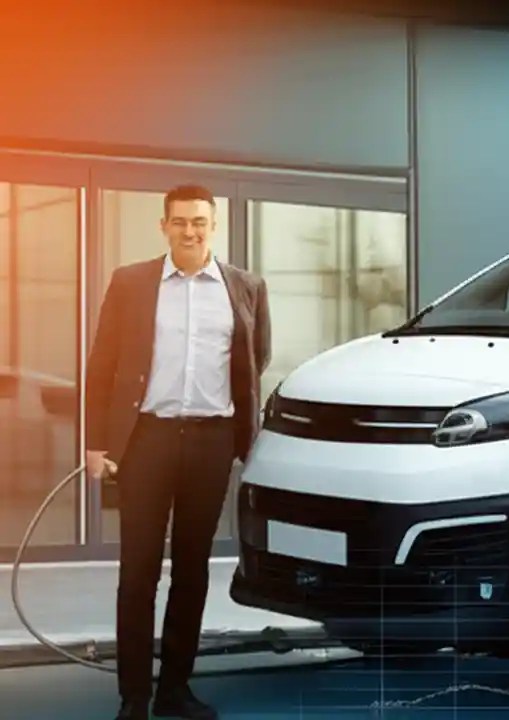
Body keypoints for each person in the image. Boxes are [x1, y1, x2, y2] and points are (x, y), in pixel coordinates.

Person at [85, 184, 271, 720]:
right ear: (163, 225)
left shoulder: (246, 287)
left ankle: (175, 691)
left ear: (214, 226)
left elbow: (254, 362)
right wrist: (97, 443)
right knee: (138, 571)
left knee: (193, 570)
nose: (190, 231)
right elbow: (101, 366)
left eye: (200, 222)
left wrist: (244, 439)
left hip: (212, 442)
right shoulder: (132, 283)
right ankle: (134, 698)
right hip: (146, 440)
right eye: (180, 221)